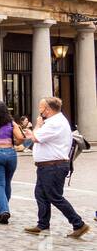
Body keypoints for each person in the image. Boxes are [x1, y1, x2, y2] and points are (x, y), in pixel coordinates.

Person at [22, 96, 90, 239]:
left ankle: (78, 223)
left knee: (54, 196)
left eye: (41, 108)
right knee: (40, 194)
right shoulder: (54, 121)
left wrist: (37, 126)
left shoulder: (55, 123)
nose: (39, 110)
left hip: (53, 166)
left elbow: (36, 138)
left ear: (48, 109)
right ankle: (43, 224)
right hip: (46, 166)